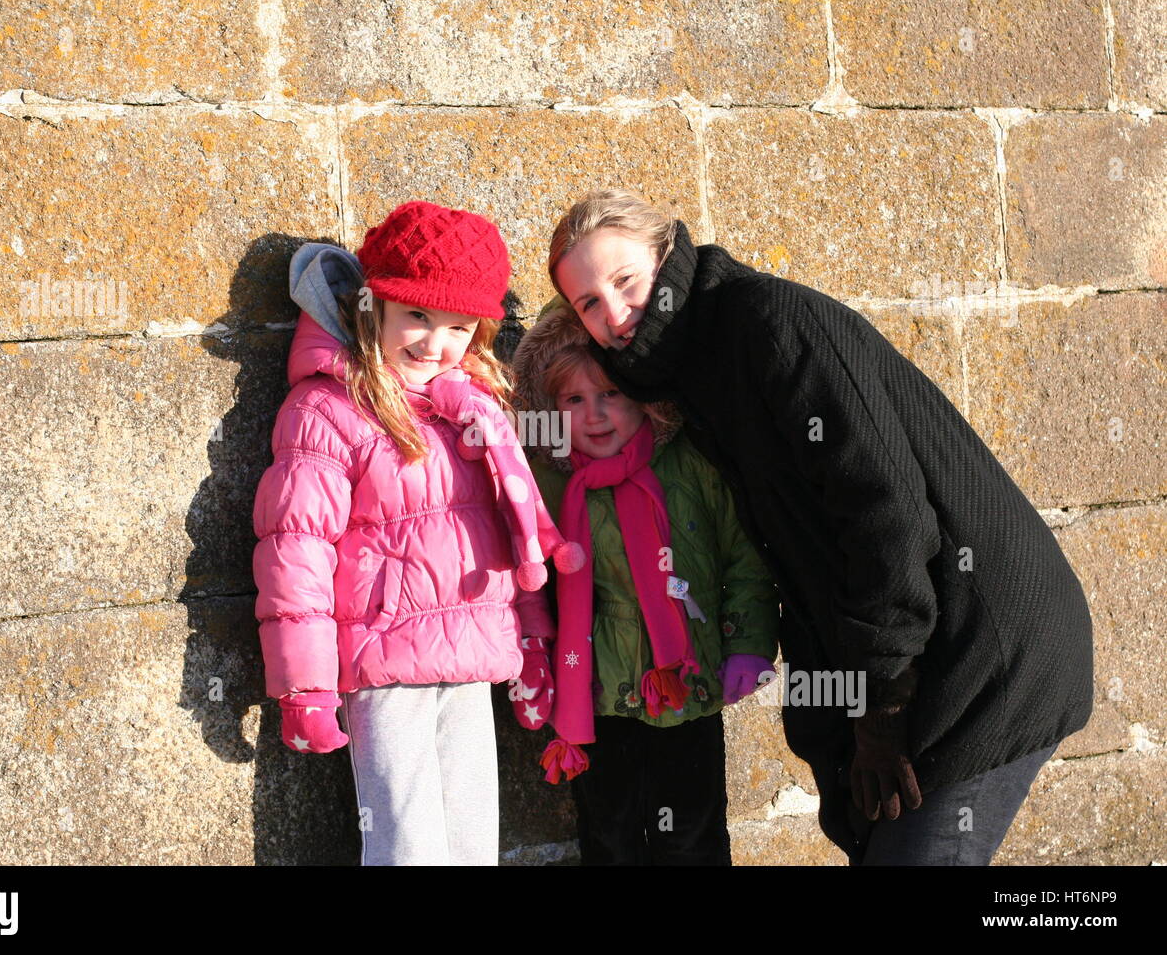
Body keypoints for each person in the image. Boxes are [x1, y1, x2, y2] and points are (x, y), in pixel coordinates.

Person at [543, 189, 1094, 865]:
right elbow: (794, 551)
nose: (616, 314)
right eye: (588, 303)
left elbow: (883, 514)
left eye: (626, 281)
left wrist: (883, 705)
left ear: (666, 256)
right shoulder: (688, 373)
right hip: (909, 659)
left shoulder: (767, 324)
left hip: (983, 645)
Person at [251, 200, 578, 865]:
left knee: (473, 844)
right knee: (408, 846)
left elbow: (505, 535)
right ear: (374, 309)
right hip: (386, 667)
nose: (435, 344)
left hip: (471, 659)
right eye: (417, 318)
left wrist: (533, 643)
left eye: (458, 326)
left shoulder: (472, 410)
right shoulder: (328, 409)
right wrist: (304, 684)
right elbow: (295, 548)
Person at [507, 301, 780, 865]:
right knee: (610, 839)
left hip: (687, 689)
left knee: (692, 838)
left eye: (611, 394)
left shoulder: (690, 466)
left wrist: (749, 644)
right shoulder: (549, 487)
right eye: (574, 400)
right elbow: (526, 582)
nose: (596, 415)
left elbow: (743, 561)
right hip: (597, 695)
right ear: (549, 410)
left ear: (644, 395)